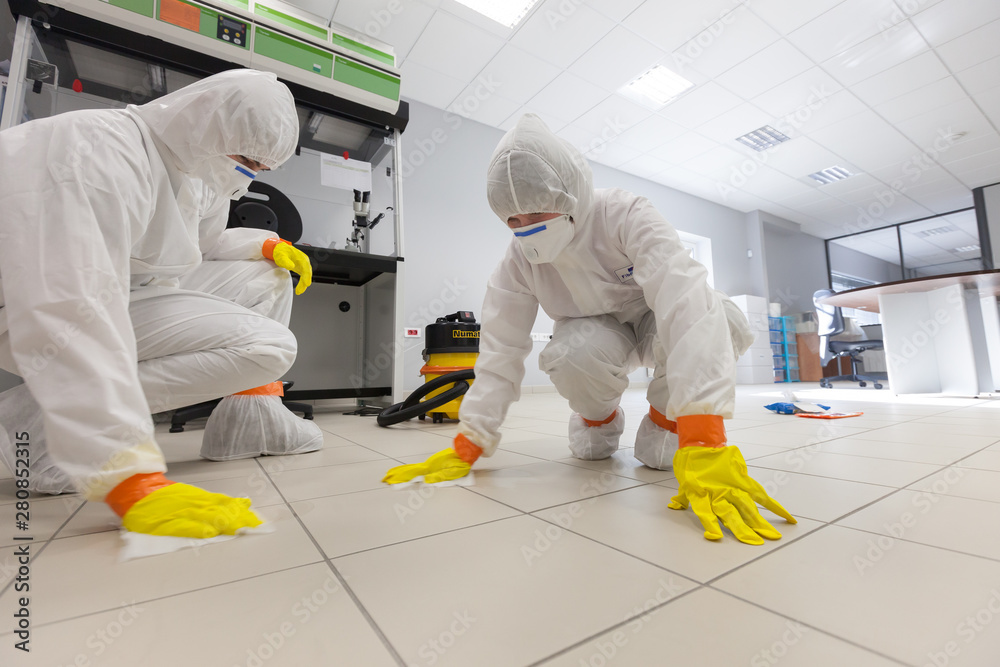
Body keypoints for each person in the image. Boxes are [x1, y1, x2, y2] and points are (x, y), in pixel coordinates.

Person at [384, 114, 796, 545]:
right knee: (571, 358)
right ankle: (598, 419)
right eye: (513, 219)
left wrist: (704, 433)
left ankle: (664, 421)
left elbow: (684, 301)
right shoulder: (517, 261)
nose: (526, 228)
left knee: (721, 316)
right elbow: (500, 349)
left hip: (655, 319)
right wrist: (470, 440)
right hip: (592, 337)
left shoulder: (624, 214)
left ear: (572, 193)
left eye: (537, 211)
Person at [0, 69, 322, 538]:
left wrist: (264, 245)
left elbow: (199, 246)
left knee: (264, 276)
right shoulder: (99, 151)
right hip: (28, 313)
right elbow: (72, 300)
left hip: (130, 293)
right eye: (247, 159)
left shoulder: (196, 171)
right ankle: (42, 432)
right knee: (270, 347)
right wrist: (126, 474)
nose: (251, 174)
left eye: (262, 167)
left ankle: (251, 422)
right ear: (207, 123)